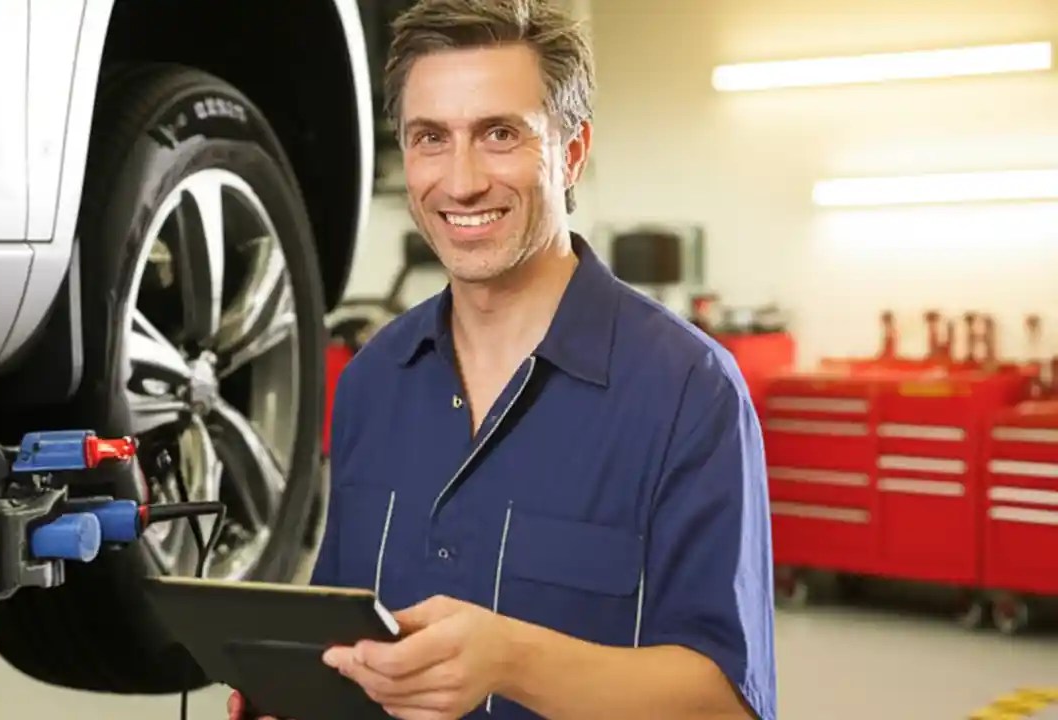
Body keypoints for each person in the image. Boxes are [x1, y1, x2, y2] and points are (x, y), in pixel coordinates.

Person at [229, 0, 777, 717]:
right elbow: (348, 636)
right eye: (431, 138)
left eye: (498, 135)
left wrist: (512, 661)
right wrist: (297, 691)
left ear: (571, 152)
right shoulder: (372, 381)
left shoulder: (687, 391)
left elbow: (727, 703)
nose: (460, 183)